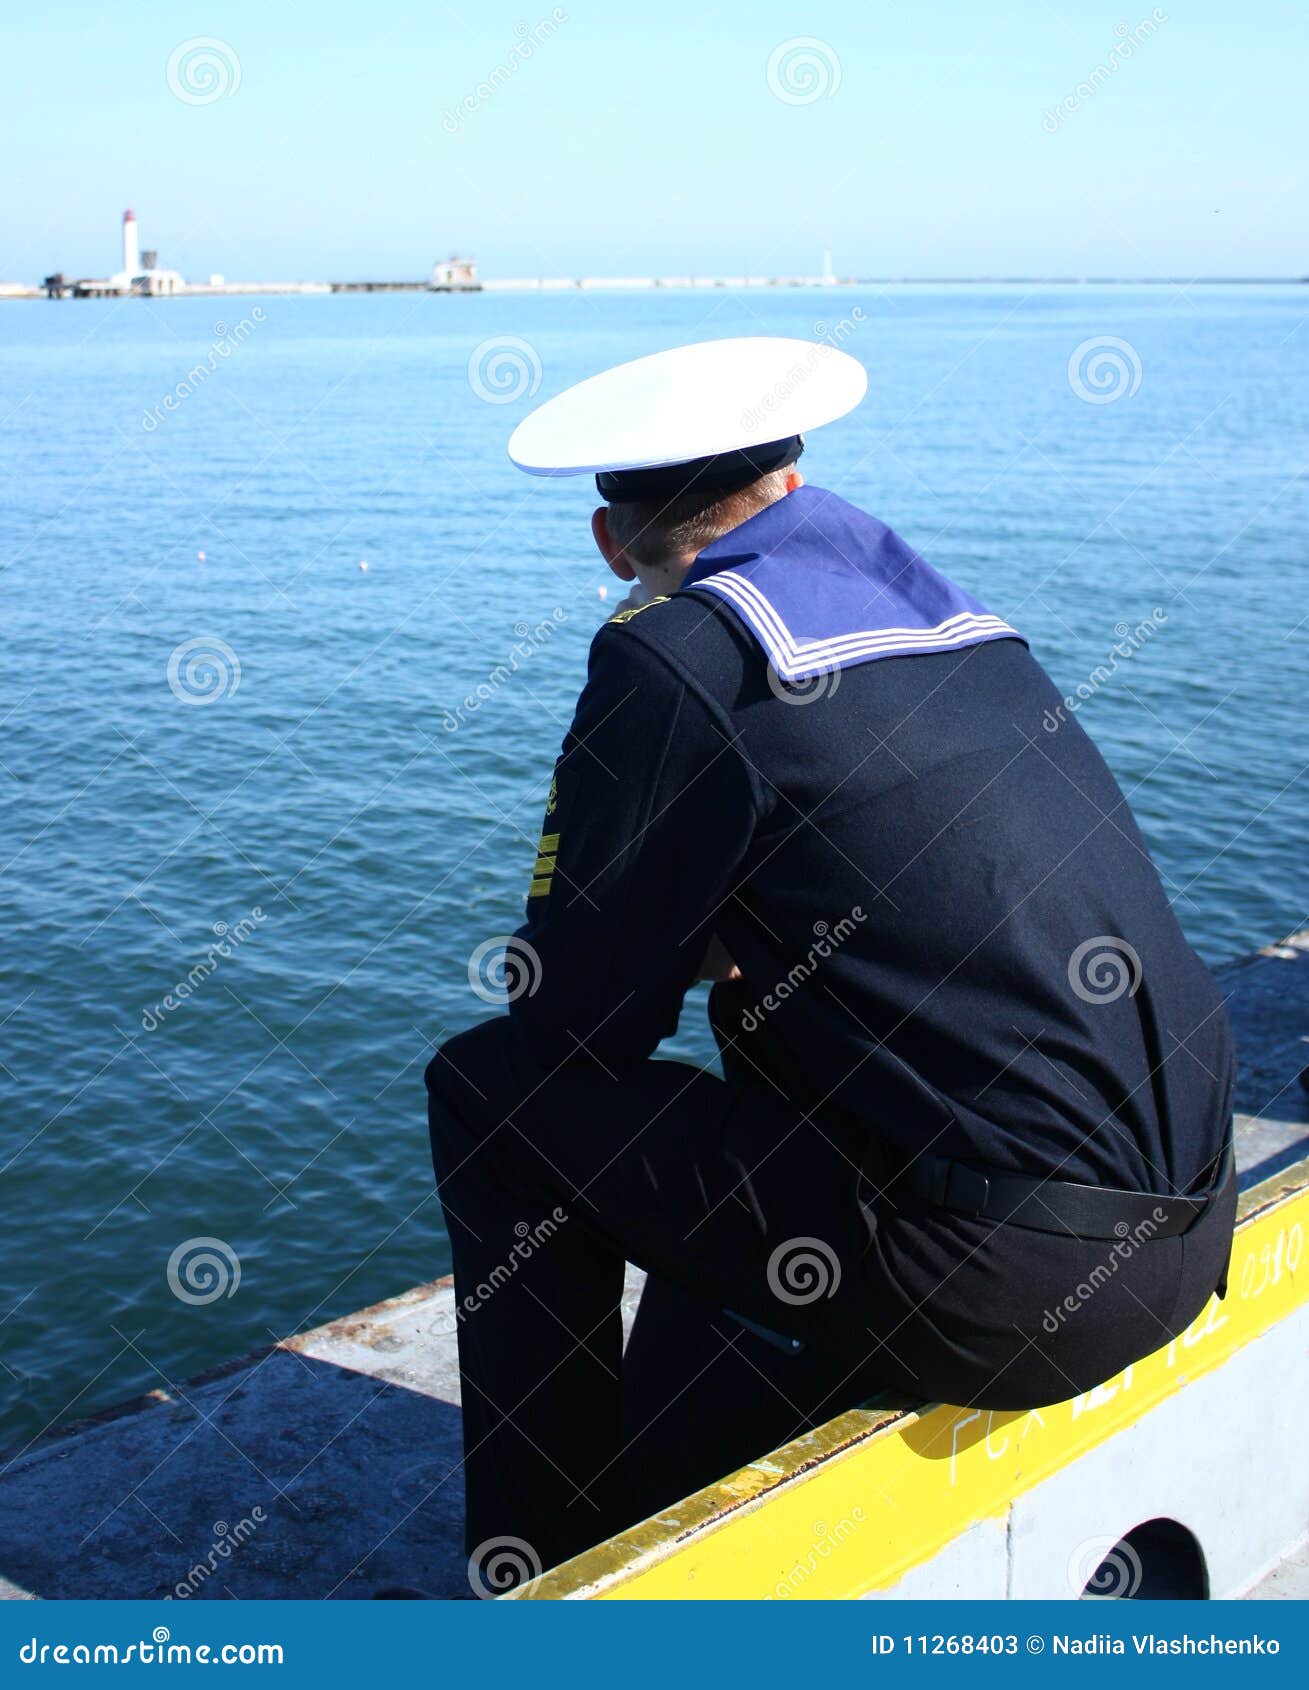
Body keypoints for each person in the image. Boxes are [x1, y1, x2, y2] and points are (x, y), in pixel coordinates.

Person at [425, 336, 1236, 1593]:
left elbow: (572, 1025)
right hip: (1186, 1222)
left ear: (609, 543)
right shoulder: (949, 620)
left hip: (1012, 1284)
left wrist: (678, 932)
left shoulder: (676, 654)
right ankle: (672, 1457)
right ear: (793, 487)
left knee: (490, 1096)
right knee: (788, 1050)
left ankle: (545, 1572)